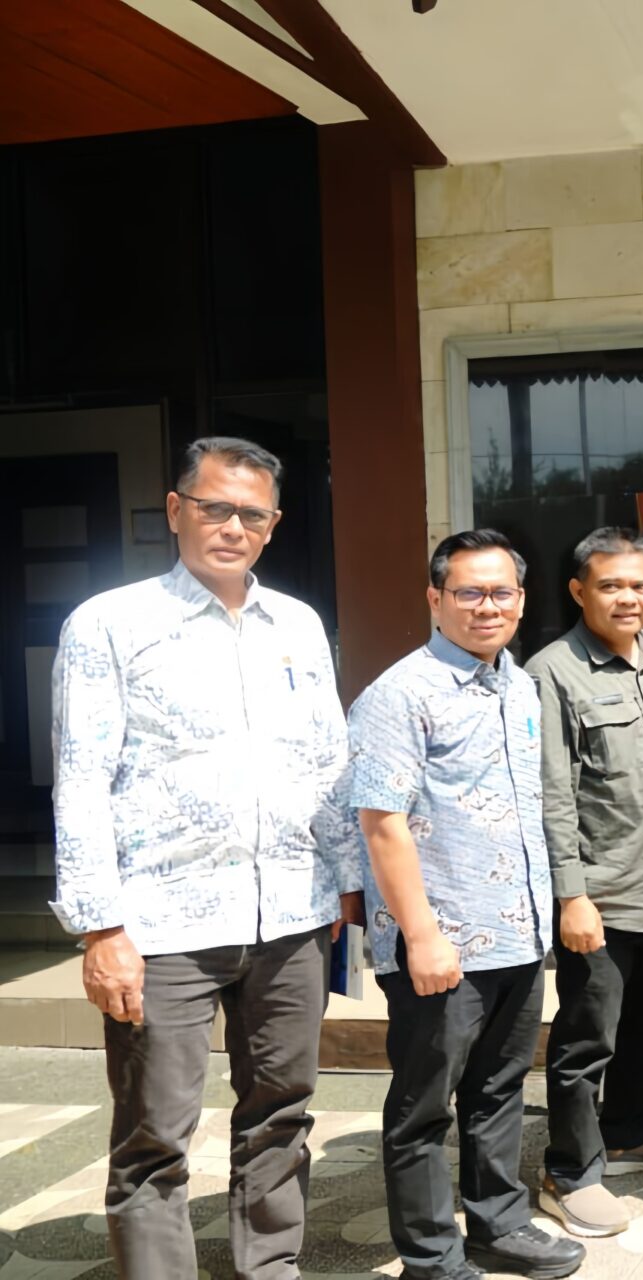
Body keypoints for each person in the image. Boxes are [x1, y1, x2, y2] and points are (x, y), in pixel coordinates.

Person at [50, 436, 361, 1280]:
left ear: (273, 525)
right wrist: (100, 926)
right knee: (155, 1133)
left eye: (251, 514)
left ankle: (271, 1267)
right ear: (177, 509)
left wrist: (348, 886)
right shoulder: (110, 624)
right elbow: (79, 779)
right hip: (162, 924)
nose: (232, 525)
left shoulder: (298, 625)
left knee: (283, 1112)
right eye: (215, 507)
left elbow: (328, 765)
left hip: (291, 914)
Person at [349, 530, 583, 1280]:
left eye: (502, 592)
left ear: (521, 599)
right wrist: (420, 935)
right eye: (470, 592)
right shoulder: (399, 694)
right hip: (441, 942)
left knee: (501, 1089)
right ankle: (430, 1254)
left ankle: (498, 1222)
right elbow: (381, 823)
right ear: (436, 599)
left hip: (518, 934)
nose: (488, 606)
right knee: (425, 1106)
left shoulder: (519, 685)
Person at [526, 527, 643, 1238]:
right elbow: (552, 794)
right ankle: (569, 1172)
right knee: (586, 1040)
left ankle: (633, 1131)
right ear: (579, 592)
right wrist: (570, 894)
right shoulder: (552, 672)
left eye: (640, 585)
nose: (628, 598)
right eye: (611, 585)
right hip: (600, 896)